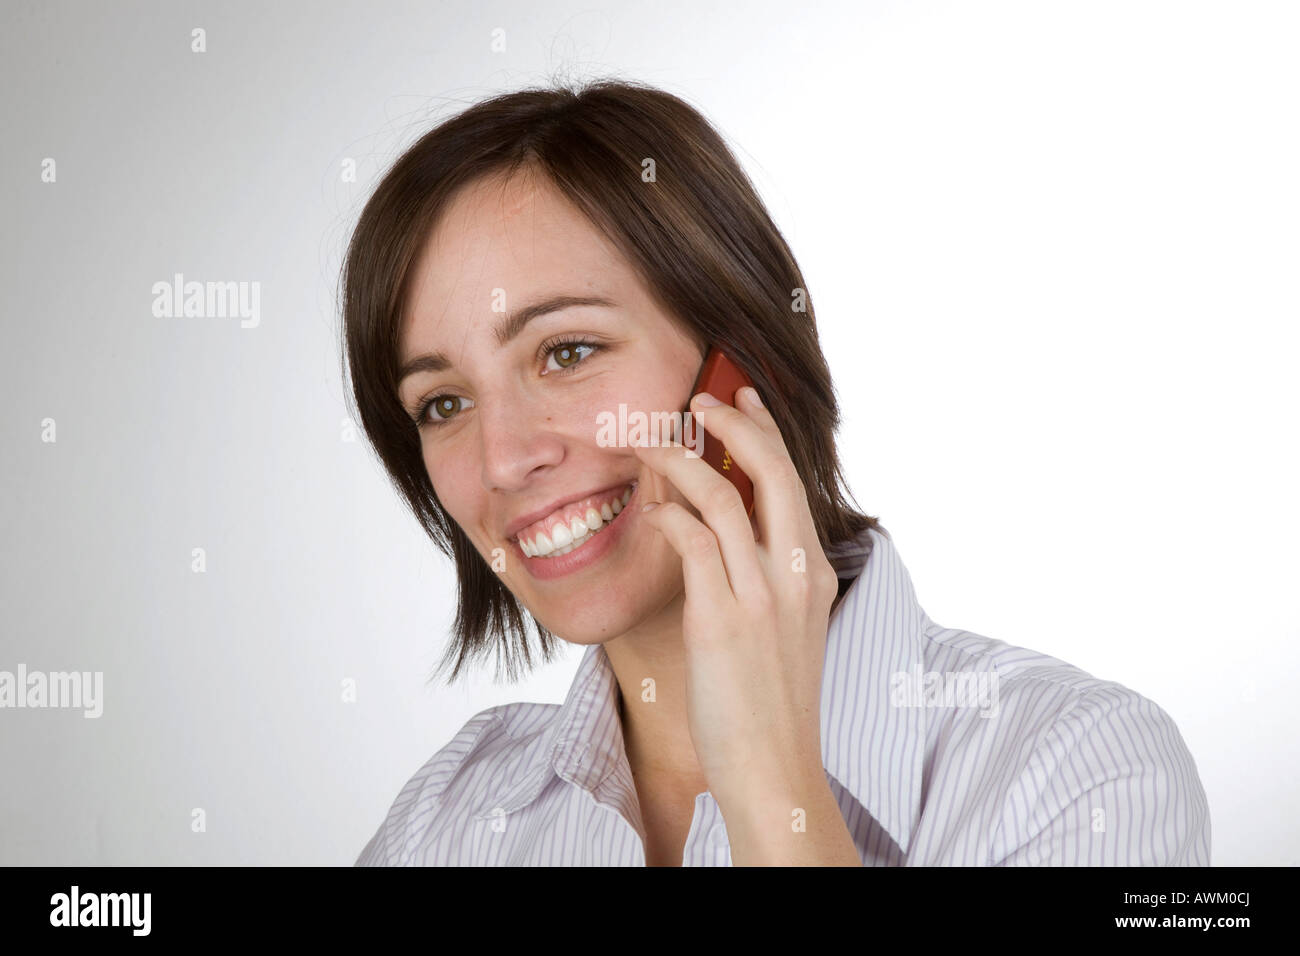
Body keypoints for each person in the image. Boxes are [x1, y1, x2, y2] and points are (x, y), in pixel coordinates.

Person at [343, 79, 1210, 866]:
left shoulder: (1083, 771)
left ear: (742, 360)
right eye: (442, 404)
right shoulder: (443, 826)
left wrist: (768, 779)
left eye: (567, 352)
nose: (502, 459)